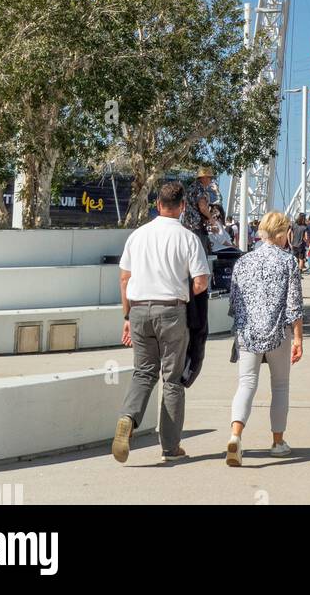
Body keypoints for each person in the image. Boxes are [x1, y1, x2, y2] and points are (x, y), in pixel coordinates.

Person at [112, 180, 210, 463]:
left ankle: (128, 419)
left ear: (157, 205)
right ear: (181, 207)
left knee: (143, 372)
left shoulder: (138, 236)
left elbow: (124, 278)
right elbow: (201, 282)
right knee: (172, 379)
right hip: (171, 311)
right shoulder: (188, 238)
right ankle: (170, 446)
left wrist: (127, 316)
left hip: (139, 310)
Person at [226, 210, 304, 463]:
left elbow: (235, 302)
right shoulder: (288, 261)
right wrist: (299, 338)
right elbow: (294, 305)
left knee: (246, 383)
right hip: (278, 332)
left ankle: (235, 435)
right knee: (280, 386)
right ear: (281, 234)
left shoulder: (243, 261)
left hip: (248, 332)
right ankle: (277, 441)